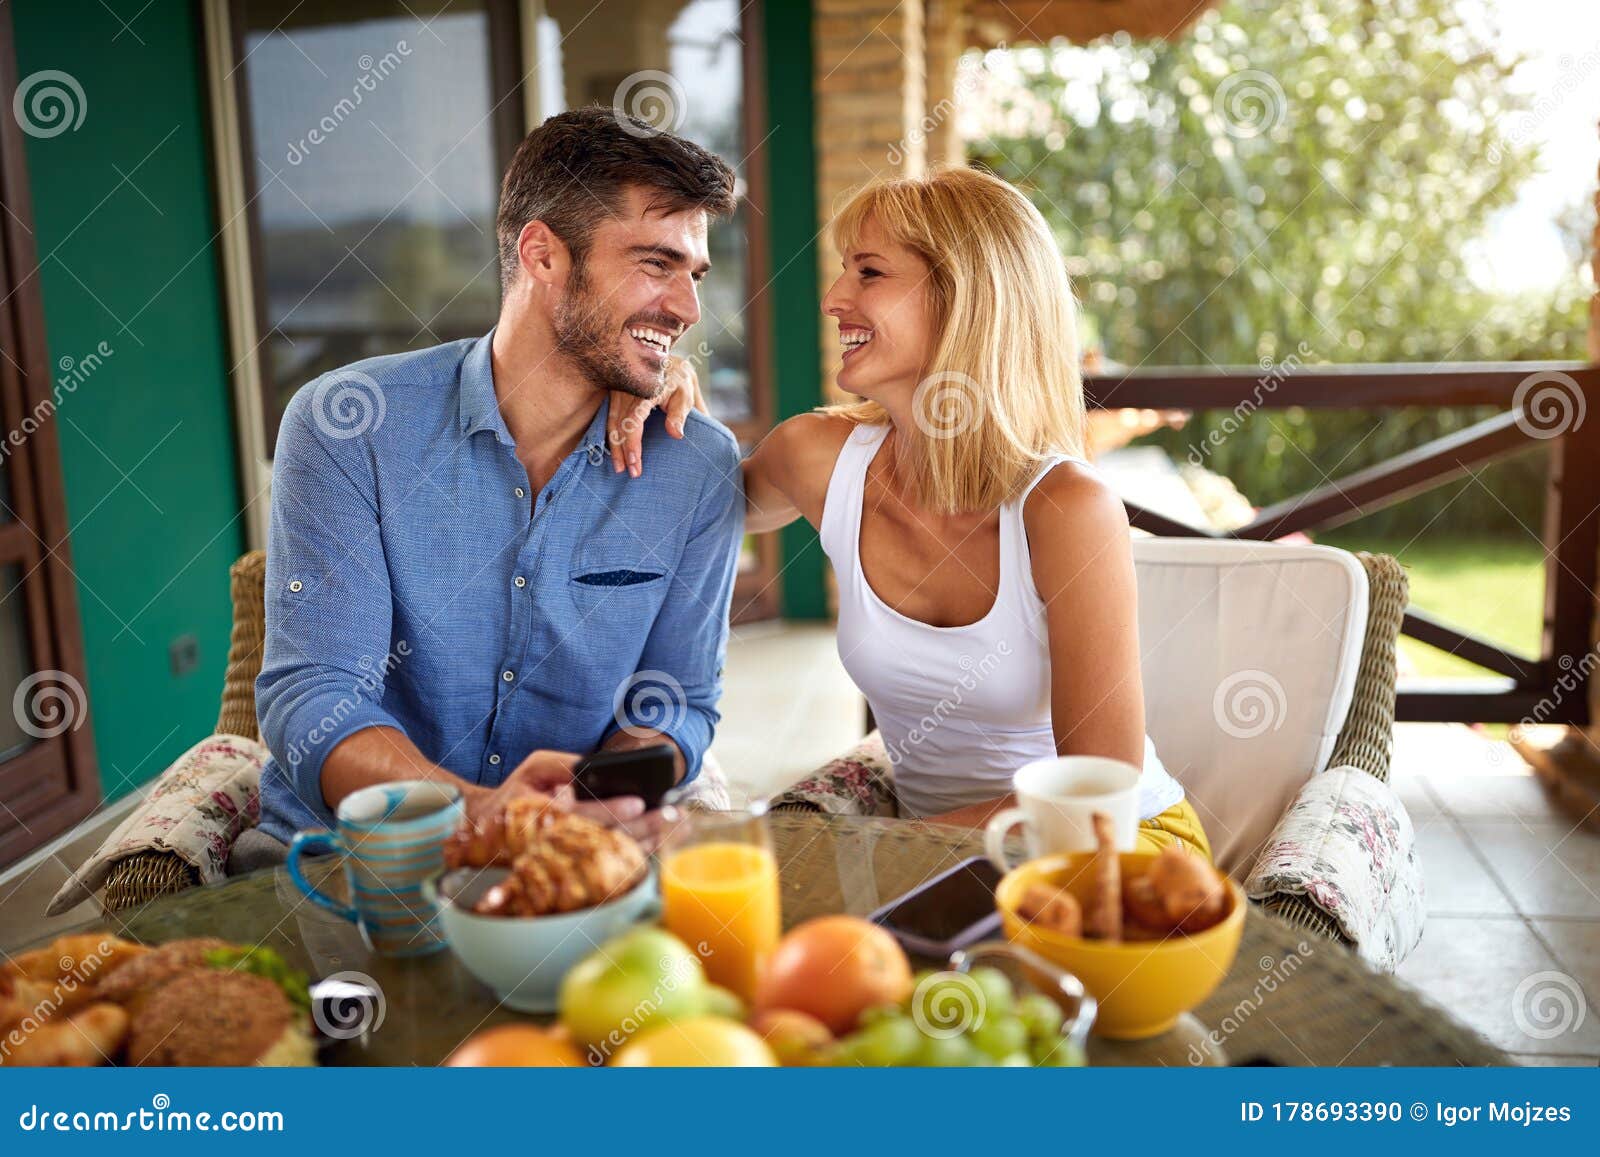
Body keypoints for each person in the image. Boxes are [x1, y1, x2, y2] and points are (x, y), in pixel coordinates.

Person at [612, 166, 1208, 859]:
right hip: (935, 863)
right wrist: (662, 380)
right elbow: (688, 511)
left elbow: (1097, 800)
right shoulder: (818, 458)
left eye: (869, 272)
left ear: (965, 300)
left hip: (1110, 854)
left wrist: (874, 850)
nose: (834, 299)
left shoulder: (1066, 508)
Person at [241, 108, 744, 865]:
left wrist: (591, 804)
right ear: (543, 255)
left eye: (693, 273)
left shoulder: (695, 465)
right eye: (655, 264)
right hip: (352, 867)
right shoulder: (349, 425)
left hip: (568, 863)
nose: (687, 308)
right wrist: (485, 817)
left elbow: (679, 702)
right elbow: (315, 696)